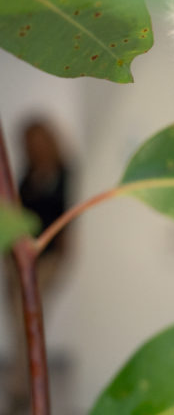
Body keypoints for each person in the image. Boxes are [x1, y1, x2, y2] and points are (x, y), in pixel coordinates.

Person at [3, 120, 70, 415]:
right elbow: (15, 215)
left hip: (48, 259)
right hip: (17, 261)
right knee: (20, 324)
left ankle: (22, 390)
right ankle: (23, 387)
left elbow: (66, 216)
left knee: (30, 322)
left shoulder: (64, 172)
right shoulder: (27, 174)